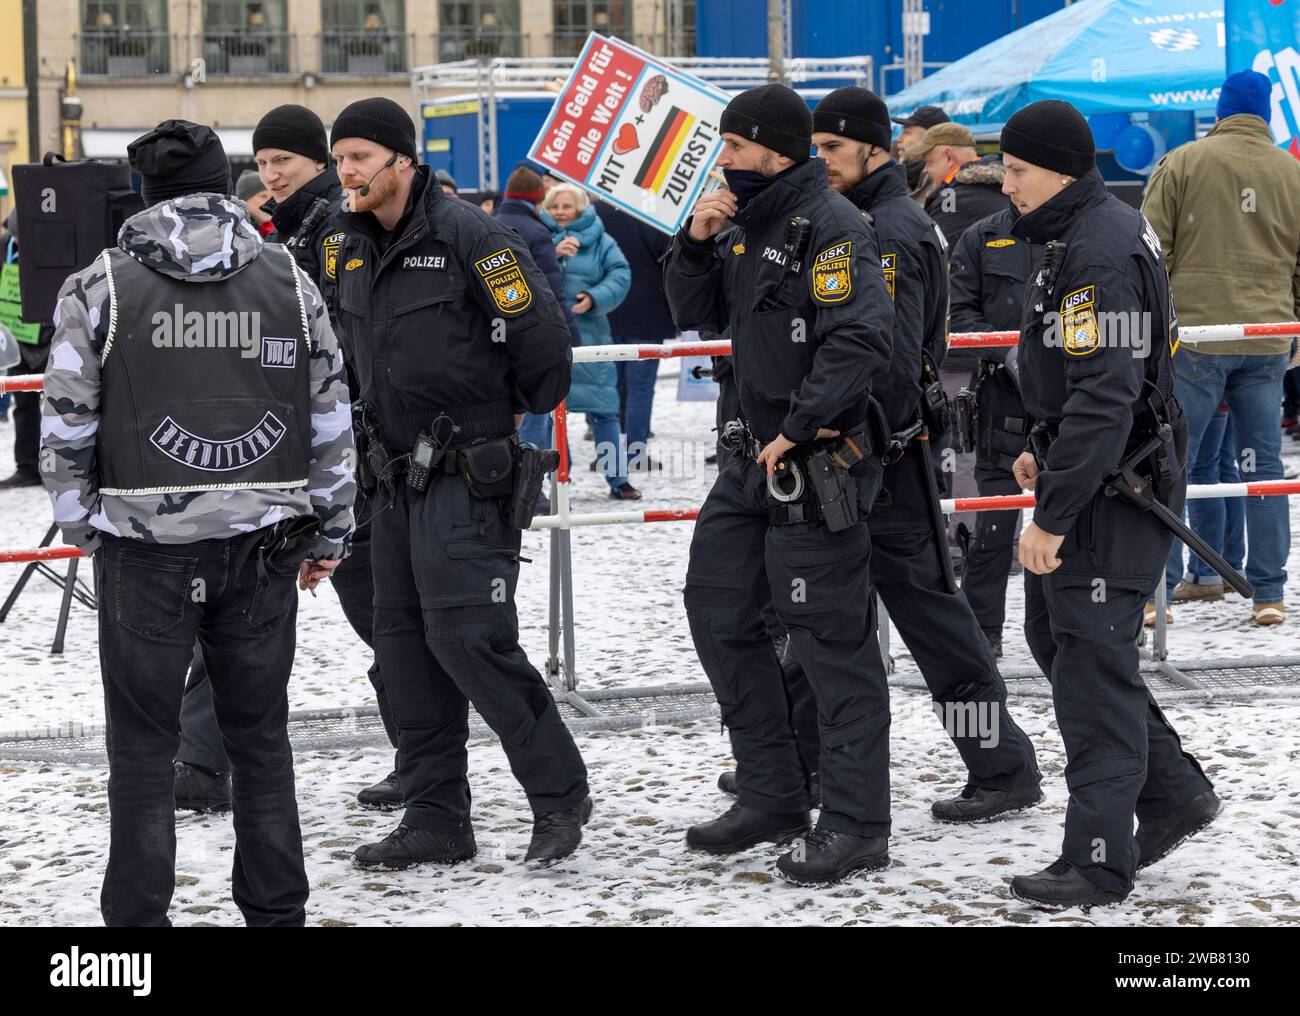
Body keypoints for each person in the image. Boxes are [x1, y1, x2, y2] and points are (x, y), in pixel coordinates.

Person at [40, 119, 356, 926]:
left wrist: (86, 526)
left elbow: (67, 425)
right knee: (260, 740)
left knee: (143, 752)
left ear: (142, 193)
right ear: (226, 183)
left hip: (142, 550)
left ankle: (136, 932)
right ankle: (277, 914)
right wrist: (331, 529)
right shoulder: (289, 279)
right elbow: (329, 416)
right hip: (263, 544)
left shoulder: (97, 285)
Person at [326, 98, 591, 870]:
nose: (347, 171)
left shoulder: (474, 235)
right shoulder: (344, 246)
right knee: (404, 650)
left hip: (467, 472)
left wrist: (490, 415)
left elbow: (544, 349)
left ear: (402, 161)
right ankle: (437, 818)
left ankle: (558, 795)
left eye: (361, 157)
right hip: (387, 477)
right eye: (339, 156)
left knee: (467, 639)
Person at [664, 83, 897, 884]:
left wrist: (799, 427)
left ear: (775, 148)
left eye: (734, 145)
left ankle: (860, 823)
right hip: (745, 462)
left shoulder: (833, 225)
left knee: (831, 648)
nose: (722, 158)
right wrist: (694, 241)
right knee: (718, 609)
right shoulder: (741, 220)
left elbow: (861, 335)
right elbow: (693, 316)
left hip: (809, 464)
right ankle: (771, 788)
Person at [999, 100, 1219, 908]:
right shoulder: (1076, 231)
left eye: (1017, 170)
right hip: (1094, 471)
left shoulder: (1095, 247)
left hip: (1110, 490)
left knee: (1090, 667)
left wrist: (1053, 513)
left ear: (1058, 167)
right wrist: (1039, 439)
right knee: (1067, 644)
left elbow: (1106, 396)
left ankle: (1096, 861)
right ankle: (1170, 793)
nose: (1008, 185)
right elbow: (1074, 381)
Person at [172, 102, 404, 815]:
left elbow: (335, 340)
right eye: (265, 161)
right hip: (282, 452)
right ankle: (201, 761)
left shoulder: (334, 228)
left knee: (377, 613)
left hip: (340, 455)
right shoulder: (282, 230)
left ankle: (423, 753)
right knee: (240, 605)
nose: (272, 174)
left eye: (287, 162)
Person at [1141, 69, 1300, 627]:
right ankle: (1269, 592)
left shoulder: (1184, 161)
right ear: (1266, 114)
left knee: (1171, 461)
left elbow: (1149, 248)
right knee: (1263, 466)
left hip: (1199, 337)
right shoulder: (1292, 171)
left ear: (1221, 110)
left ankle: (1153, 591)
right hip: (1266, 339)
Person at [948, 205, 1046, 656]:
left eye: (1019, 170)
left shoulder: (1089, 229)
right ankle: (984, 632)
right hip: (1000, 403)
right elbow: (957, 314)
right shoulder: (982, 235)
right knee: (992, 527)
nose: (1010, 184)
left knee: (1074, 522)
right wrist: (1005, 350)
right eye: (1006, 169)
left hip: (1075, 403)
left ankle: (1062, 628)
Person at [540, 182, 639, 499]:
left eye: (566, 206)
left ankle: (618, 479)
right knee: (552, 415)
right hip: (552, 337)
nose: (560, 212)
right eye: (554, 206)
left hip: (591, 336)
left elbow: (621, 274)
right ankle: (559, 479)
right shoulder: (540, 237)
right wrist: (552, 252)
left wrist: (594, 297)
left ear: (580, 209)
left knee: (605, 411)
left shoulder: (602, 240)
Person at [594, 200, 677, 472]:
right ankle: (634, 454)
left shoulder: (597, 212)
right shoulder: (655, 213)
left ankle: (608, 454)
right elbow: (671, 258)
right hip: (647, 311)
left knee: (610, 386)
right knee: (640, 388)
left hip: (606, 309)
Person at [0, 209, 54, 488]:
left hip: (50, 335)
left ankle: (56, 468)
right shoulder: (4, 246)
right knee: (23, 406)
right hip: (18, 335)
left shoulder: (48, 250)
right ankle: (27, 467)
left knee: (57, 405)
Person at [908, 123, 1010, 249]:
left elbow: (933, 255)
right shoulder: (1002, 187)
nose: (925, 170)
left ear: (949, 158)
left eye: (929, 162)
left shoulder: (952, 198)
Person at [235, 170, 274, 235]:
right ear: (244, 200)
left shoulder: (278, 231)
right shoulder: (231, 231)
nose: (271, 202)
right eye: (263, 196)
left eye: (273, 197)